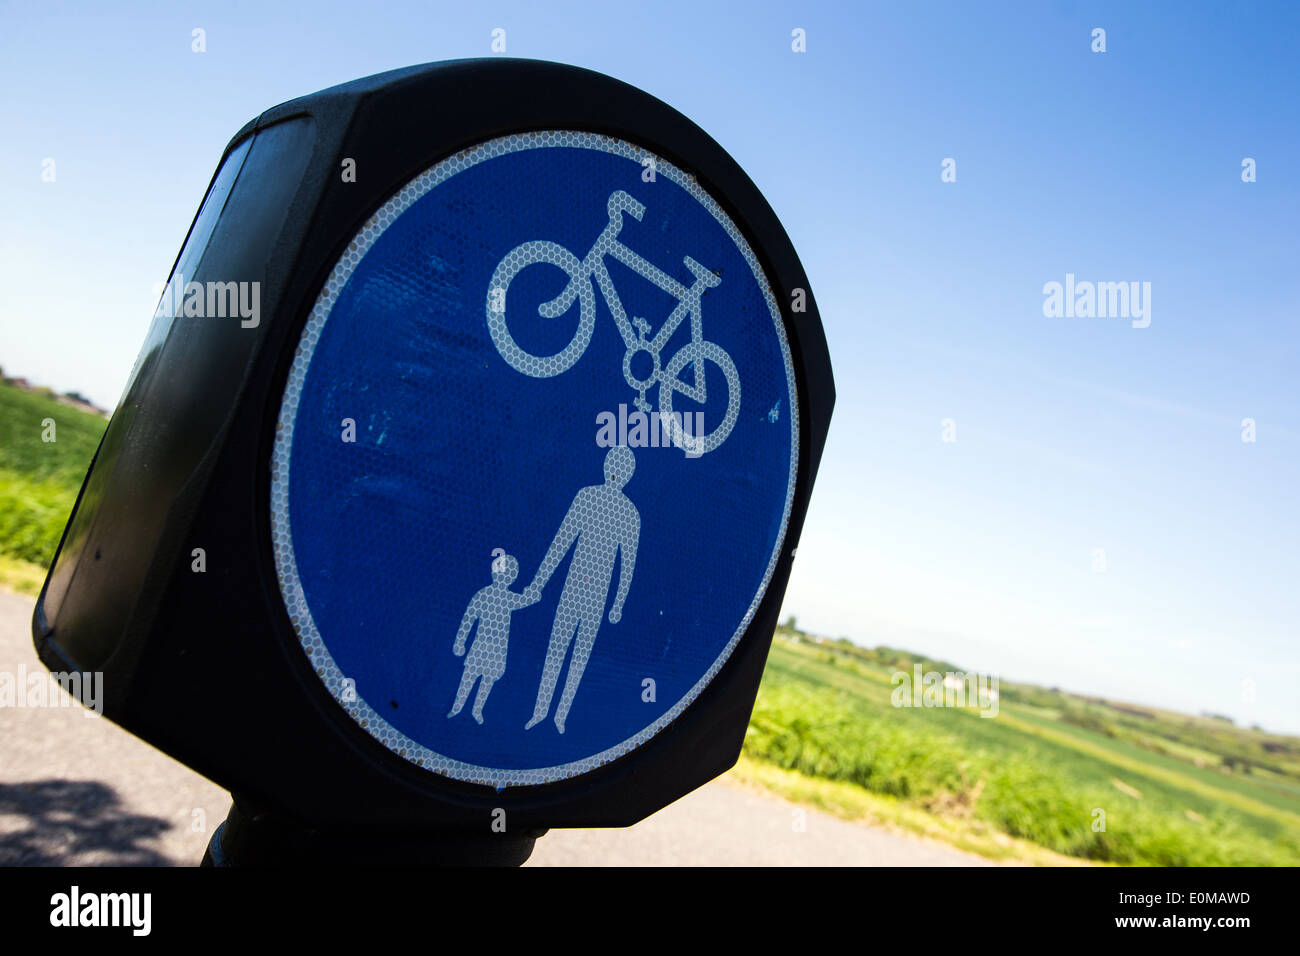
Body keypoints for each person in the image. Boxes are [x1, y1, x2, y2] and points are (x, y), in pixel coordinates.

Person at [524, 446, 640, 734]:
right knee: (556, 650)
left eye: (620, 469)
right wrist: (538, 583)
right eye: (611, 465)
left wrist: (618, 604)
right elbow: (561, 542)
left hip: (597, 596)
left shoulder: (629, 514)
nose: (614, 472)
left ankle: (560, 717)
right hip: (573, 587)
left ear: (628, 475)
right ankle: (539, 712)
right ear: (605, 466)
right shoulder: (586, 496)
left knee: (580, 657)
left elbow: (628, 565)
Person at [448, 552, 536, 724]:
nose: (505, 576)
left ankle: (477, 711)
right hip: (480, 645)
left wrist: (532, 596)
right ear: (494, 572)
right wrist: (460, 642)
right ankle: (456, 707)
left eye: (510, 574)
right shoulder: (483, 595)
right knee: (469, 676)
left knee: (488, 680)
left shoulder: (508, 597)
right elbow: (468, 619)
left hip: (498, 648)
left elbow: (523, 601)